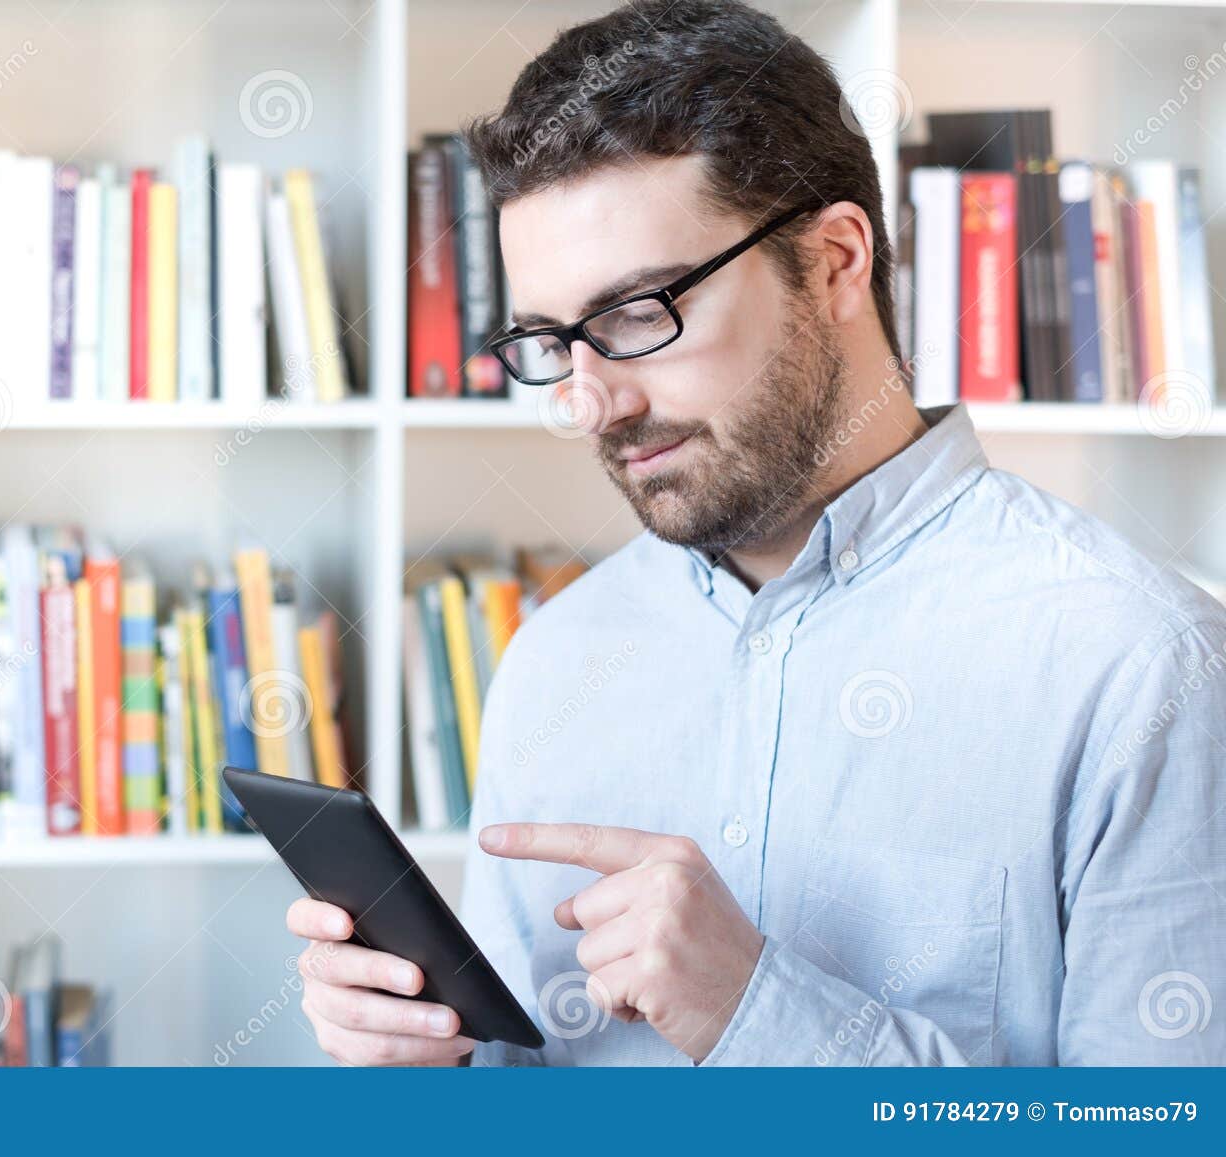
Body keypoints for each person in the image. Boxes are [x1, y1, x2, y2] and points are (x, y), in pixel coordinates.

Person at [286, 0, 1226, 1065]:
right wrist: (427, 1071)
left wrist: (764, 1013)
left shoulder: (1145, 669)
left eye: (639, 314)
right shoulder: (556, 655)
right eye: (551, 341)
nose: (590, 403)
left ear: (833, 261)